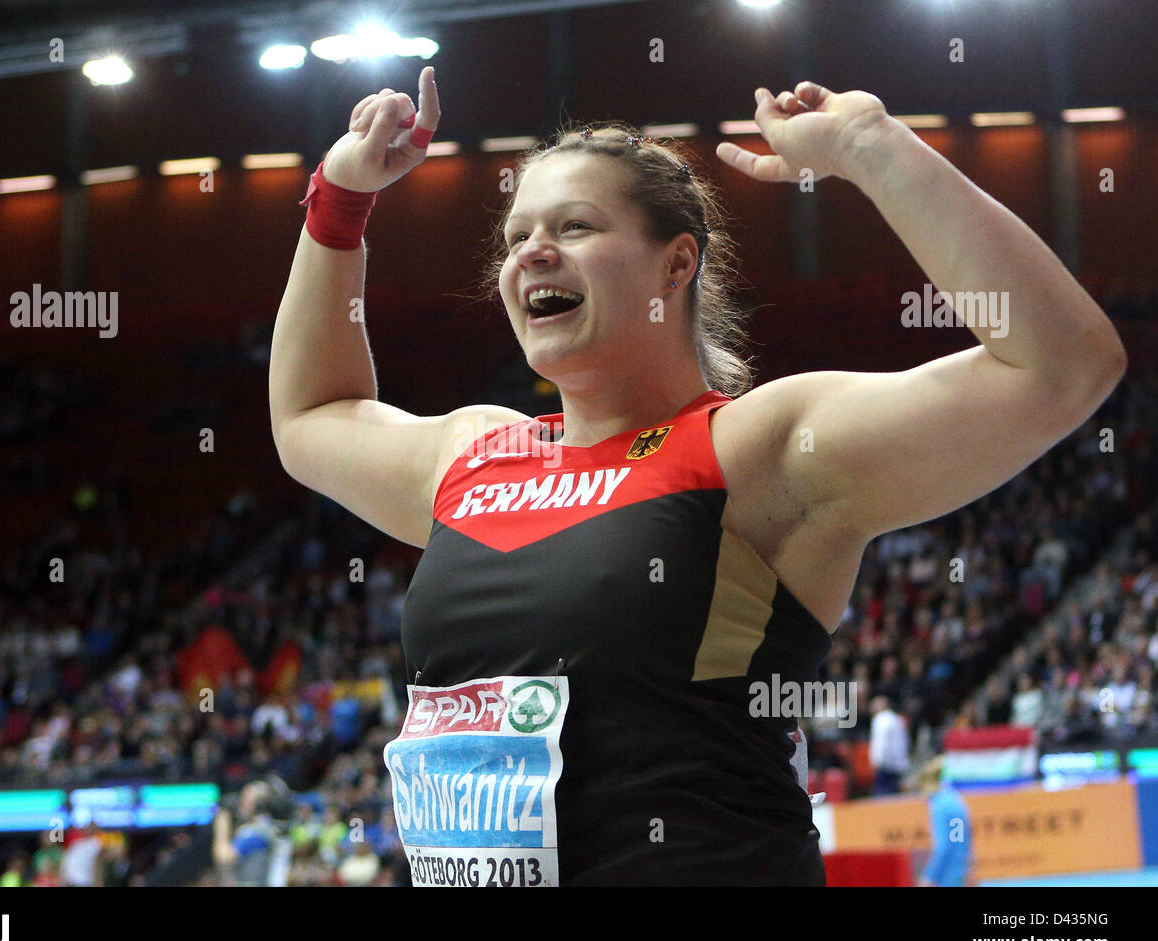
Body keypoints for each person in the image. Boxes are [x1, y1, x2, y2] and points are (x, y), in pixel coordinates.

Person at [269, 68, 1126, 884]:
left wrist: (870, 145)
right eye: (516, 236)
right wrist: (339, 202)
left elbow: (1059, 366)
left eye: (572, 228)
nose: (530, 253)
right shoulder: (476, 455)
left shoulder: (758, 449)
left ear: (676, 266)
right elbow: (310, 419)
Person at [918, 757, 971, 887]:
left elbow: (943, 847)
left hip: (947, 876)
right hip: (960, 872)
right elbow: (960, 843)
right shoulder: (955, 800)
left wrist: (929, 876)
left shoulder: (939, 805)